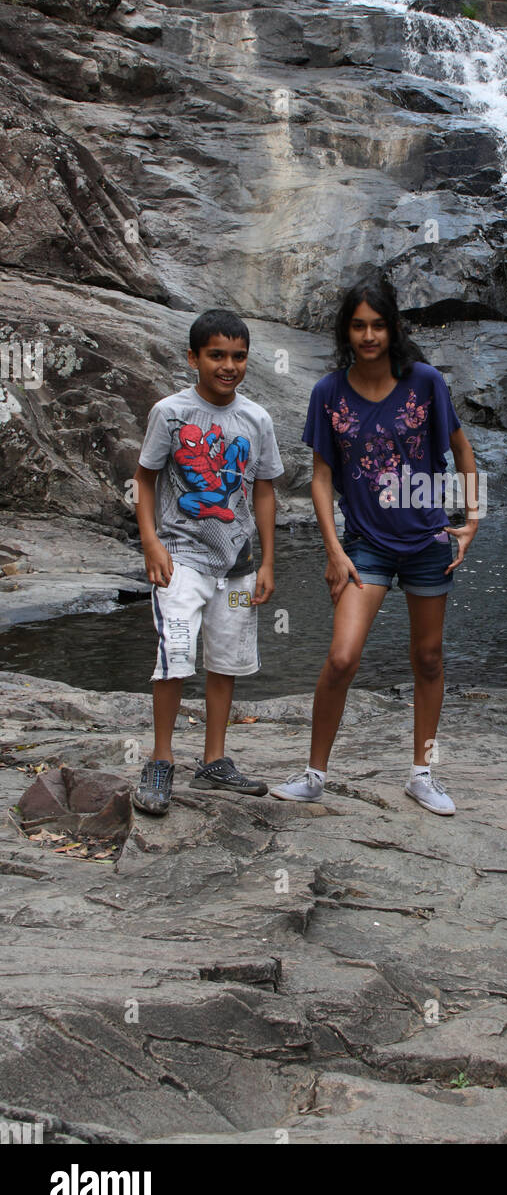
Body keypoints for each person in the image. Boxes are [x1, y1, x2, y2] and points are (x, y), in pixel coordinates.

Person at [271, 278, 479, 815]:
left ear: (394, 329)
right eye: (359, 325)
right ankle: (315, 774)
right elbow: (320, 477)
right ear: (347, 330)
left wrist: (473, 515)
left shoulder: (426, 382)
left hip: (429, 539)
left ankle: (422, 774)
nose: (369, 335)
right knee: (341, 657)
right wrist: (334, 549)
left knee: (428, 658)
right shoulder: (328, 394)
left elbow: (461, 447)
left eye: (378, 325)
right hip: (365, 544)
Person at [132, 309, 284, 815]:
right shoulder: (170, 413)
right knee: (176, 656)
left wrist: (266, 561)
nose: (229, 366)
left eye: (239, 357)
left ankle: (214, 761)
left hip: (238, 564)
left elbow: (264, 491)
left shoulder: (257, 419)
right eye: (217, 355)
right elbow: (146, 478)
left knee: (227, 658)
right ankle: (160, 760)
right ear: (194, 358)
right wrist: (151, 542)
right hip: (181, 559)